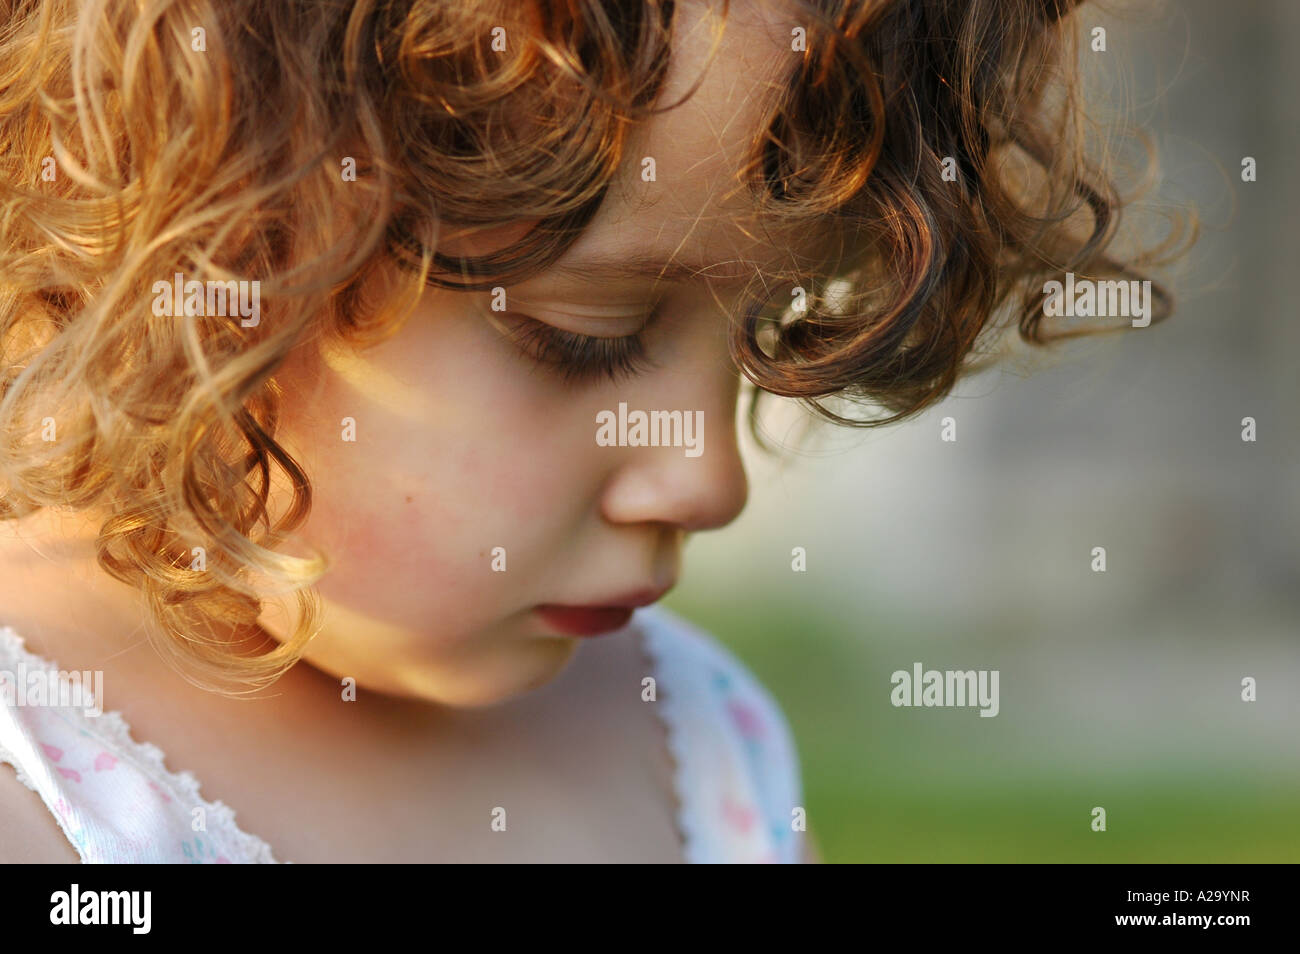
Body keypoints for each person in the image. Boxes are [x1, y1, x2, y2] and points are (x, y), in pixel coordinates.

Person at [0, 0, 1186, 862]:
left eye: (766, 328)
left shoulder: (694, 747)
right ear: (206, 238)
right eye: (589, 338)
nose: (709, 479)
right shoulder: (49, 799)